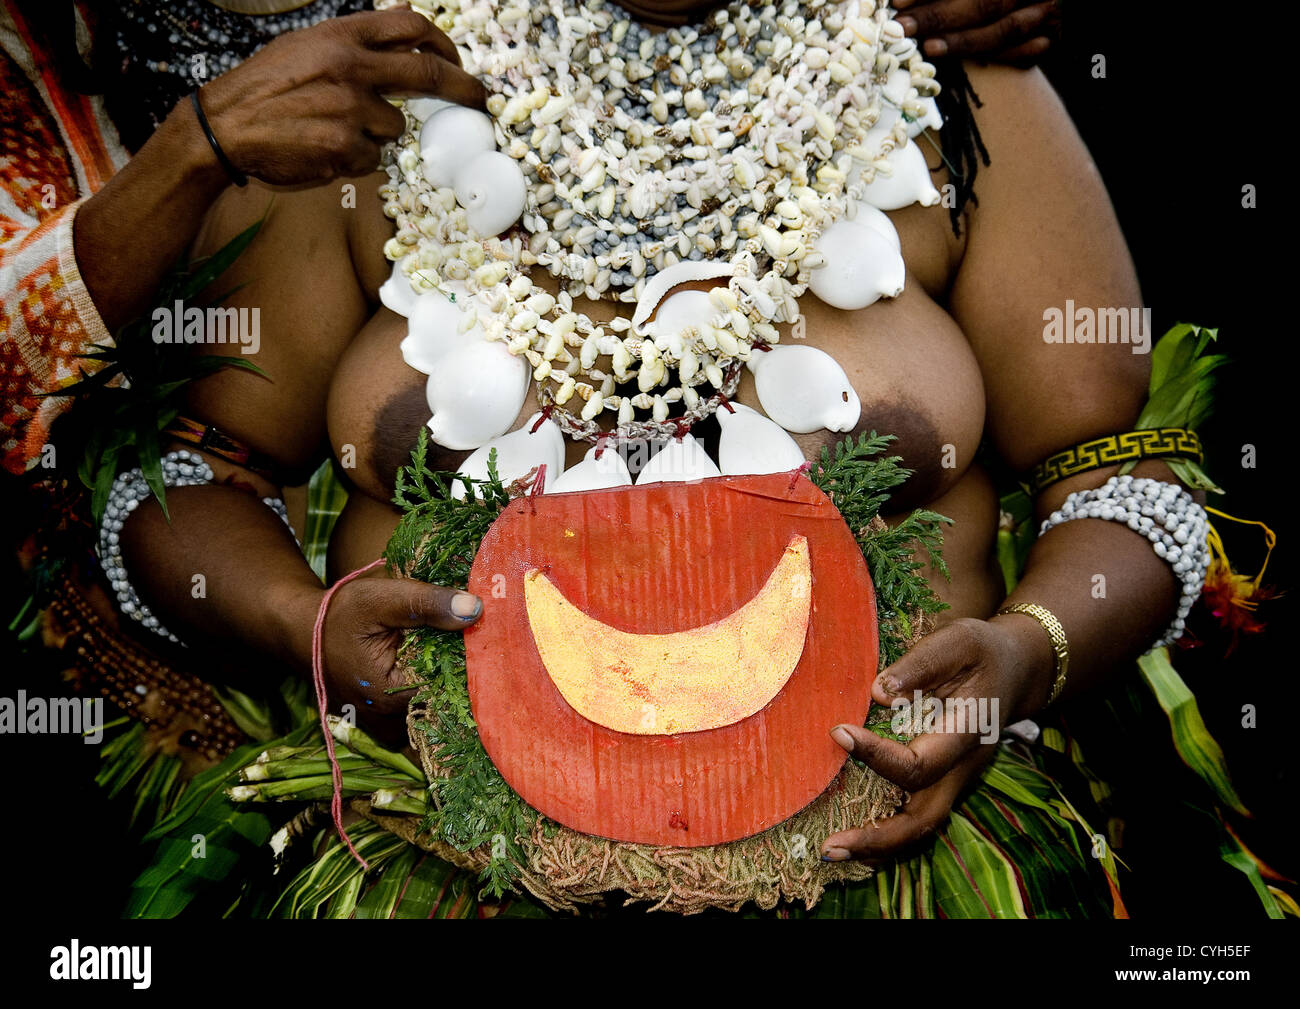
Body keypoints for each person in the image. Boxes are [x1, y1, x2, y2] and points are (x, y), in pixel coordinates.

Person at [92, 0, 1186, 878]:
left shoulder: (942, 79)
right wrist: (297, 621)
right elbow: (190, 473)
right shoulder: (370, 97)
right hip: (427, 853)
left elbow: (1119, 479)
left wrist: (1028, 651)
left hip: (894, 854)